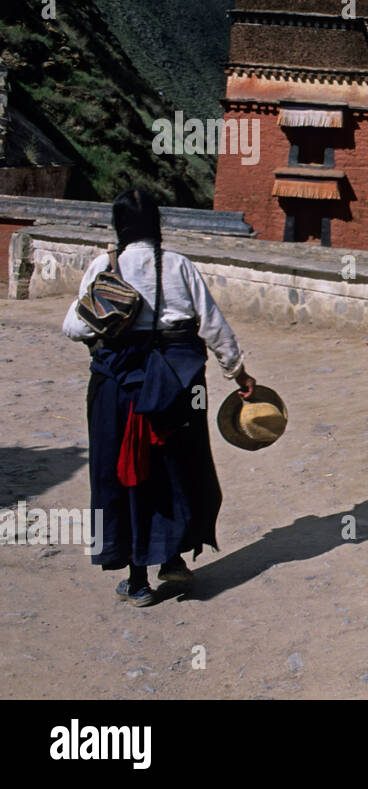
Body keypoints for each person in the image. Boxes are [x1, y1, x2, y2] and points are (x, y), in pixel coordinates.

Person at [62, 189, 255, 606]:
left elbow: (74, 329)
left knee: (126, 473)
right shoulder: (180, 266)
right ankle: (173, 558)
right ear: (156, 224)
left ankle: (138, 580)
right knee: (177, 466)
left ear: (119, 225)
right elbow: (214, 328)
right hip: (179, 386)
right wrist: (238, 374)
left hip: (119, 389)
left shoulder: (105, 266)